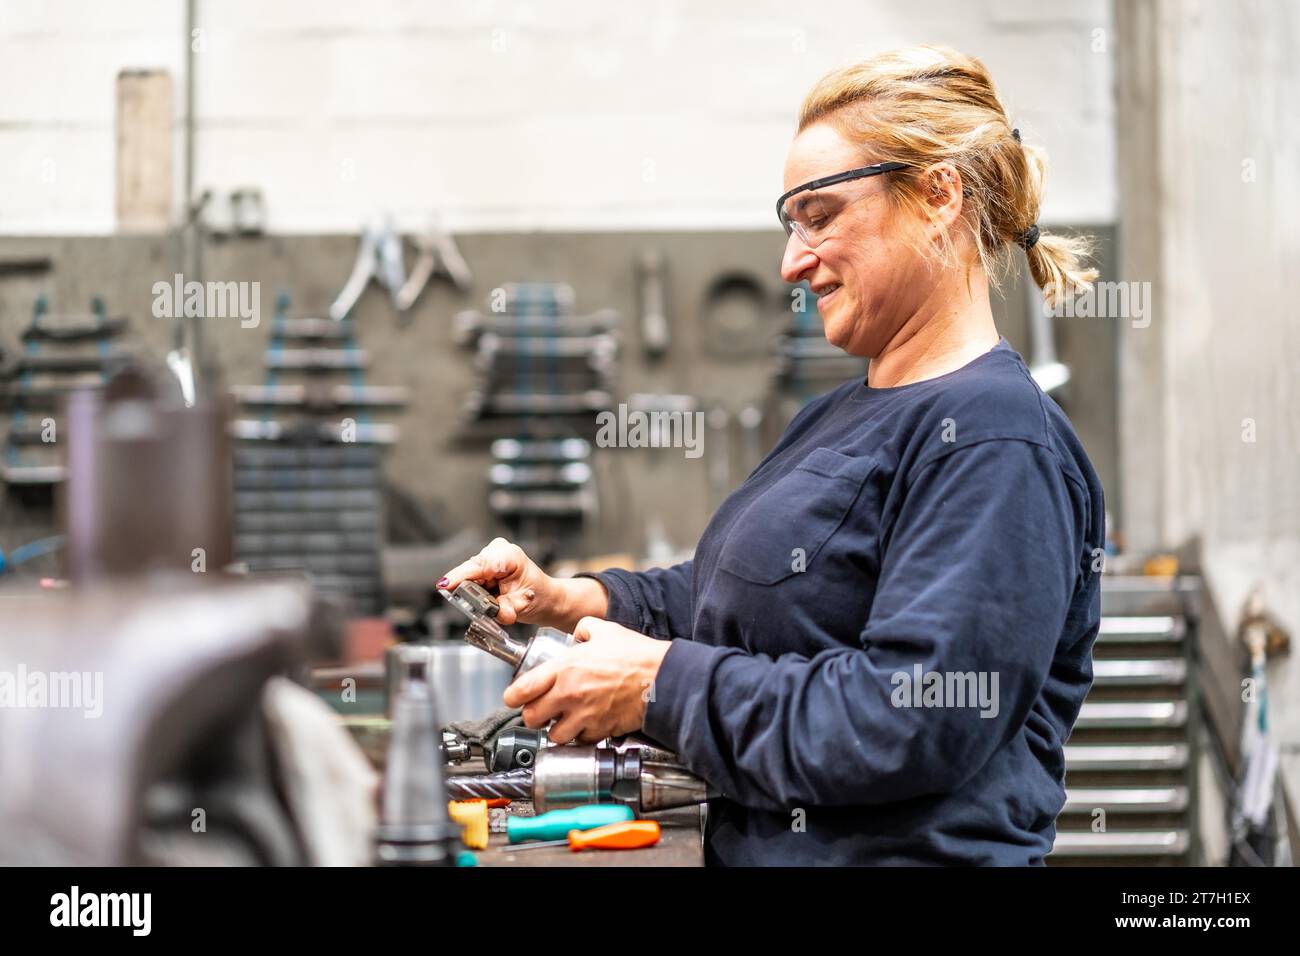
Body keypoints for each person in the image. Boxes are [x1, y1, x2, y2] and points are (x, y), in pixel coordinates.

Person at [440, 45, 1105, 865]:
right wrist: (570, 600)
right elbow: (739, 596)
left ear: (938, 194)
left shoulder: (997, 441)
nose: (793, 262)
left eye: (821, 216)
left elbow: (910, 717)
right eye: (791, 225)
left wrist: (656, 685)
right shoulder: (838, 414)